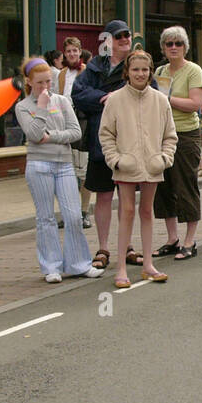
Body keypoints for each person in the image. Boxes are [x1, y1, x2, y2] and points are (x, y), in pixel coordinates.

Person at [14, 58, 101, 283]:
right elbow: (34, 135)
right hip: (39, 165)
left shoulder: (62, 101)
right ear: (29, 82)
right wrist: (41, 108)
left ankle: (79, 263)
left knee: (73, 216)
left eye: (48, 82)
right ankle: (51, 266)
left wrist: (52, 136)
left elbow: (75, 132)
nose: (45, 87)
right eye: (40, 82)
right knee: (46, 218)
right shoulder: (23, 107)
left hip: (64, 164)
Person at [100, 49, 177, 288]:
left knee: (146, 211)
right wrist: (115, 159)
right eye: (135, 69)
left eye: (145, 69)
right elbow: (106, 134)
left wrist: (164, 158)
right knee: (127, 212)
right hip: (126, 165)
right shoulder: (115, 99)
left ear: (150, 72)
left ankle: (148, 265)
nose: (140, 74)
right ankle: (121, 267)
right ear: (127, 72)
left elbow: (170, 135)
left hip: (153, 165)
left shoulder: (161, 100)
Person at [73, 19, 137, 270]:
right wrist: (103, 98)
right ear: (108, 41)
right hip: (101, 141)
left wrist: (119, 97)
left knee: (127, 197)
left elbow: (149, 91)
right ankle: (103, 248)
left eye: (127, 35)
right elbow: (78, 94)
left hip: (129, 141)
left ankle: (127, 246)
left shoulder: (137, 64)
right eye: (119, 36)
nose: (124, 39)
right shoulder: (94, 67)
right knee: (103, 195)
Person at [152, 26, 202, 260]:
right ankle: (172, 239)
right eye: (169, 44)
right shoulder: (160, 71)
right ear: (163, 48)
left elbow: (195, 104)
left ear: (185, 47)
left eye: (178, 44)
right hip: (161, 135)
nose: (173, 47)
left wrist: (166, 98)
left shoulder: (193, 70)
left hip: (185, 134)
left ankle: (189, 241)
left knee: (185, 186)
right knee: (164, 188)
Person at [54, 35, 93, 229]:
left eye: (74, 51)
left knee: (83, 170)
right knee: (65, 171)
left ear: (80, 52)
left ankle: (84, 212)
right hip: (64, 124)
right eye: (68, 51)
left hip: (83, 123)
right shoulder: (60, 74)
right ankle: (69, 212)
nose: (71, 54)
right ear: (64, 53)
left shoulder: (88, 72)